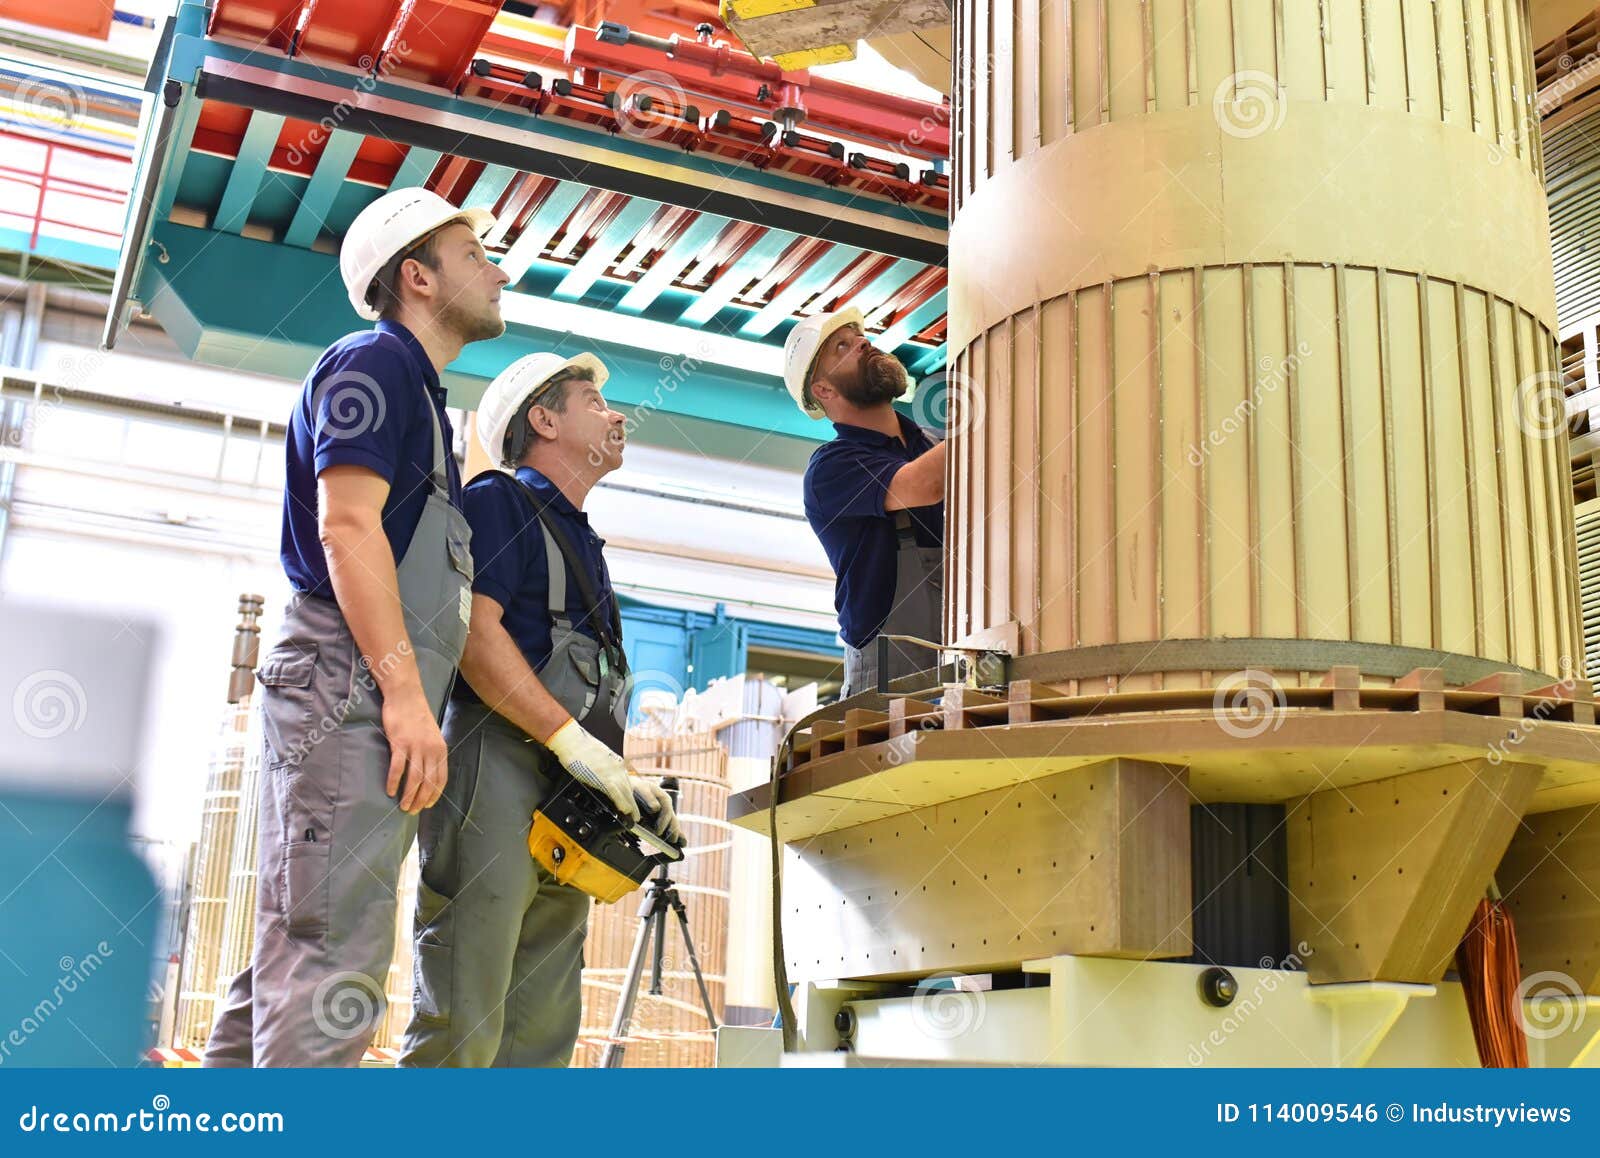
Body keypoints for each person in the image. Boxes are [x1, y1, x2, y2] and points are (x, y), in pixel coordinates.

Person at [204, 188, 510, 1066]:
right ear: (417, 277)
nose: (498, 272)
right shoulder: (373, 365)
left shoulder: (417, 392)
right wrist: (406, 693)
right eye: (473, 256)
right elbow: (347, 529)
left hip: (358, 684)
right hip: (351, 680)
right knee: (332, 954)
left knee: (294, 951)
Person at [400, 351, 680, 1068]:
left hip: (568, 793)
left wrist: (623, 783)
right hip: (495, 772)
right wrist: (567, 738)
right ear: (544, 419)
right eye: (594, 400)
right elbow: (474, 634)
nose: (617, 414)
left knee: (542, 1028)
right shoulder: (500, 503)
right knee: (464, 1017)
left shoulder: (584, 539)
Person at [786, 308, 947, 697]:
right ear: (824, 391)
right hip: (888, 675)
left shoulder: (932, 445)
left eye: (861, 337)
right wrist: (991, 416)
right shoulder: (833, 467)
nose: (863, 342)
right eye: (843, 345)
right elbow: (922, 485)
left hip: (960, 655)